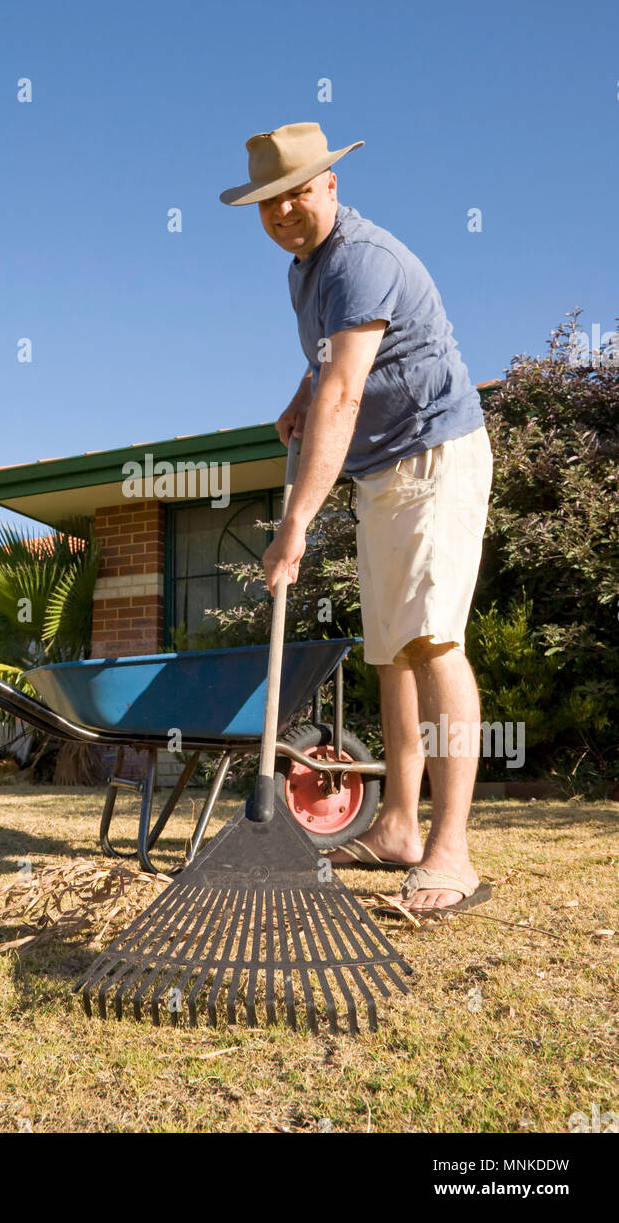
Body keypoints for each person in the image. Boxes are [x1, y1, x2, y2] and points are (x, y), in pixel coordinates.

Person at [219, 122, 493, 920]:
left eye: (297, 192)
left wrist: (295, 523)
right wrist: (299, 396)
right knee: (392, 654)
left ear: (331, 186)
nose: (283, 211)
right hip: (382, 473)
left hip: (433, 457)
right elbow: (328, 370)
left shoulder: (362, 260)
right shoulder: (306, 271)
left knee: (434, 642)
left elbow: (347, 391)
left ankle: (451, 853)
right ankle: (400, 828)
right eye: (268, 202)